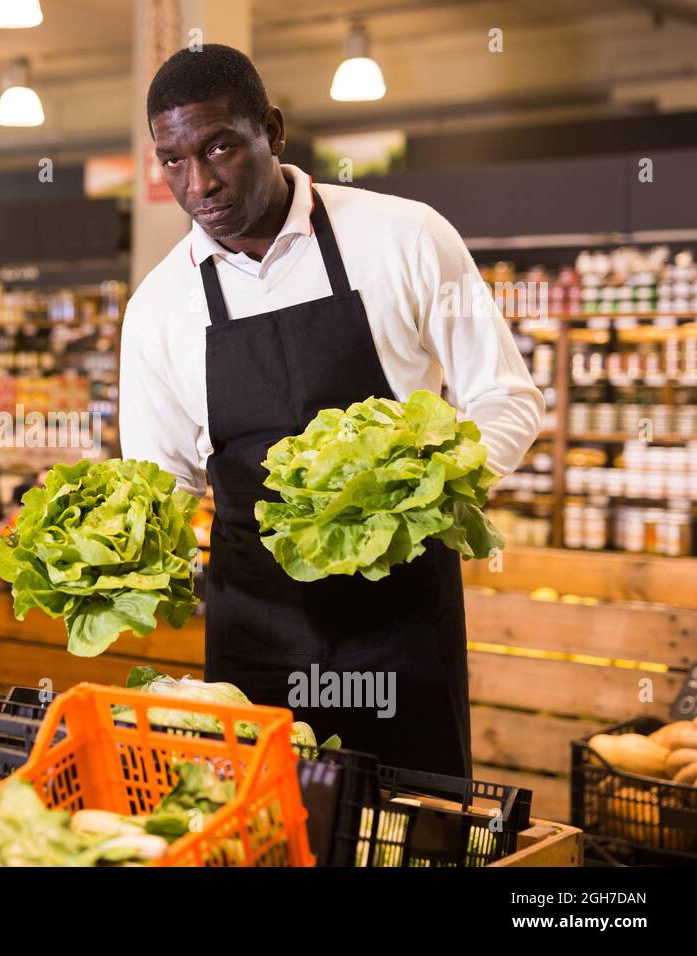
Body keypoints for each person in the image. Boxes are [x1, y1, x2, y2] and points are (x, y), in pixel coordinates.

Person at [119, 45, 544, 777]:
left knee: (417, 829)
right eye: (173, 161)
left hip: (401, 620)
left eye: (220, 146)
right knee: (265, 828)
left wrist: (425, 497)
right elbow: (159, 482)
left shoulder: (406, 236)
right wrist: (125, 562)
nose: (201, 183)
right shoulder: (156, 307)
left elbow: (507, 399)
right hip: (257, 631)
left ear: (273, 131)